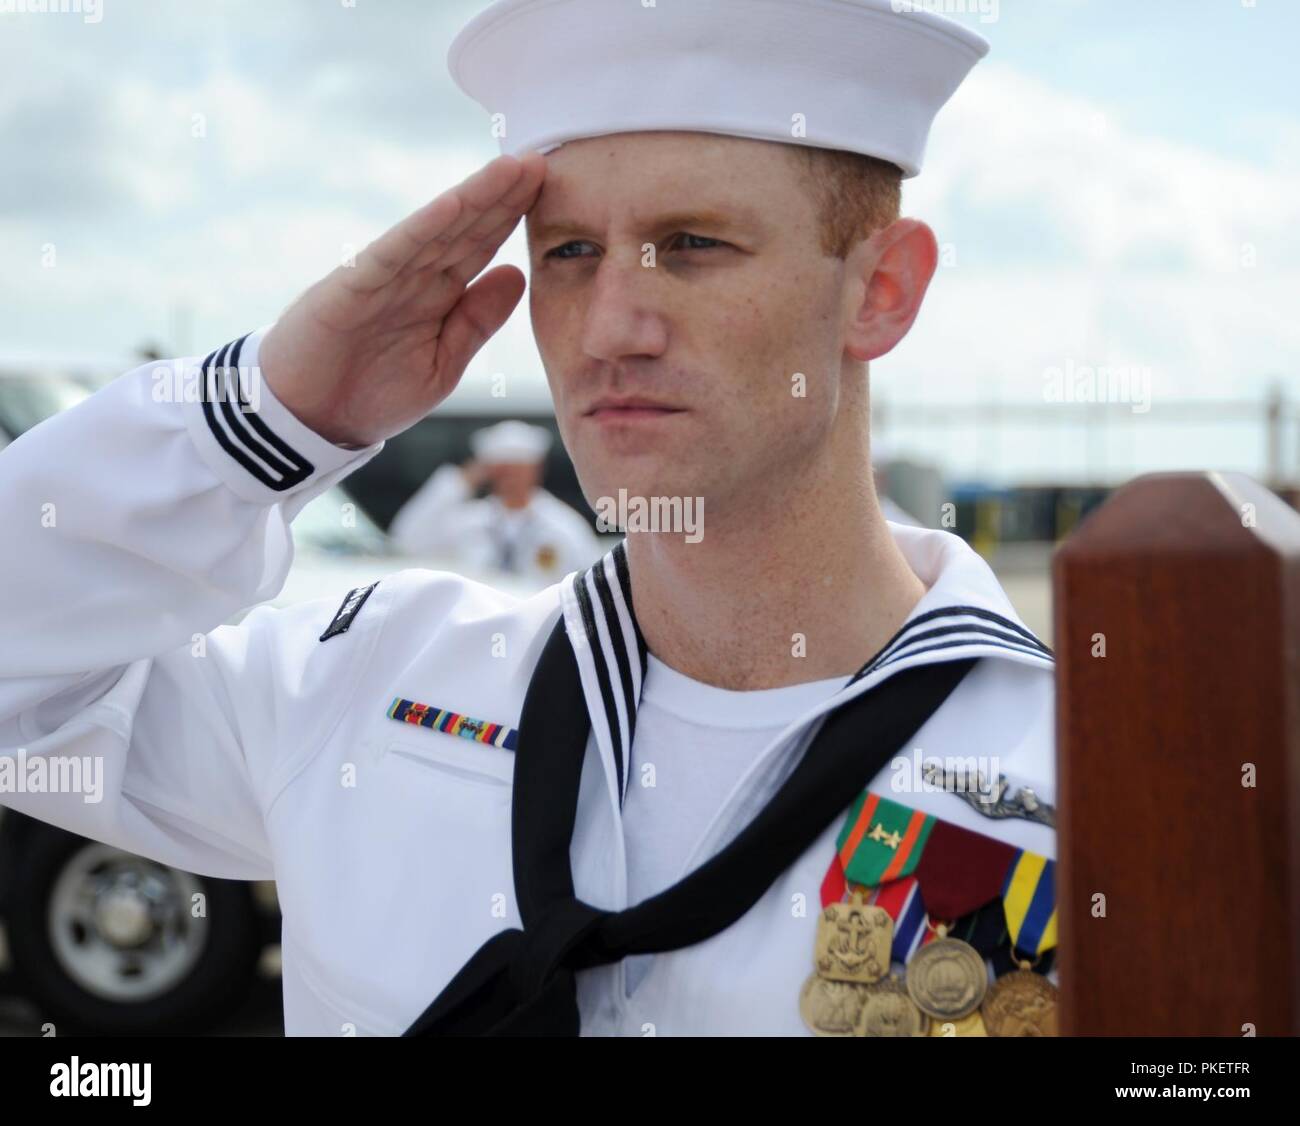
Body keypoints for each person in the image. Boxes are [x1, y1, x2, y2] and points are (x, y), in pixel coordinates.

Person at [0, 0, 1058, 1036]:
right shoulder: (367, 687)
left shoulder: (1089, 785)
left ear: (880, 289)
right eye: (567, 253)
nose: (608, 328)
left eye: (690, 243)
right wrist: (270, 413)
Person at [388, 419, 603, 587]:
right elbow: (407, 538)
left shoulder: (562, 525)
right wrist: (462, 480)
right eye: (503, 470)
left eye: (518, 469)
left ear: (536, 469)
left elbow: (591, 577)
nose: (511, 478)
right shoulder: (470, 520)